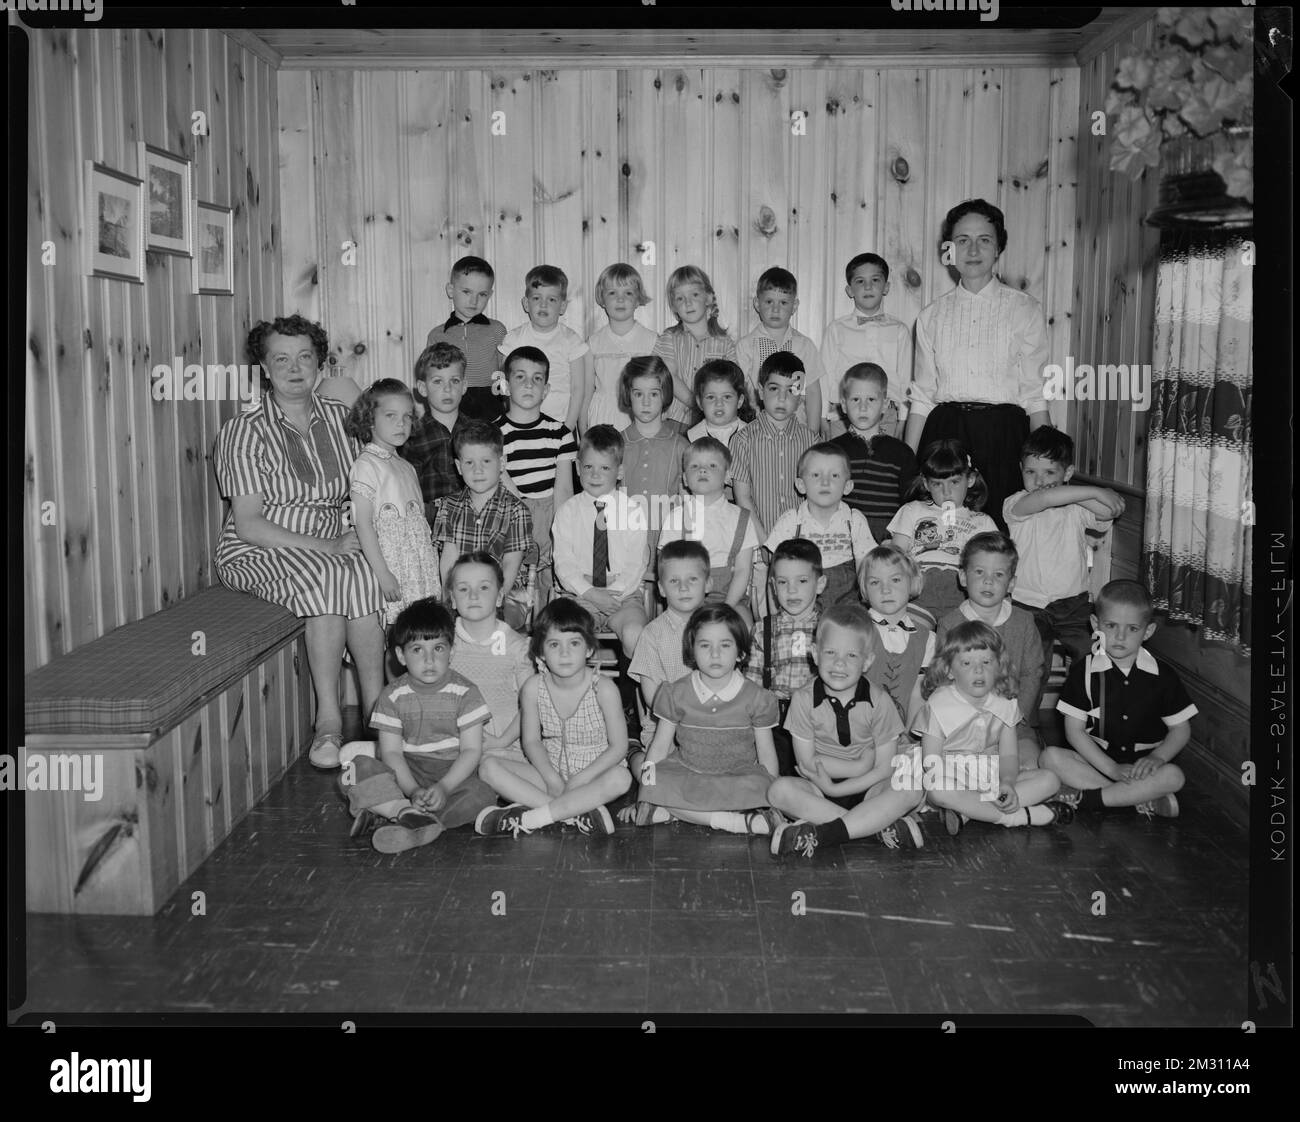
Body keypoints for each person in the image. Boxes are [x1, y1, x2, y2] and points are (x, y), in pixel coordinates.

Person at [213, 315, 385, 770]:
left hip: (334, 537)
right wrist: (327, 548)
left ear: (319, 363)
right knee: (330, 577)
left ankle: (378, 717)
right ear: (264, 368)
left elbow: (377, 475)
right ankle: (328, 722)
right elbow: (248, 524)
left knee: (369, 576)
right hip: (259, 546)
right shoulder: (242, 431)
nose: (294, 368)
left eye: (305, 357)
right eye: (281, 359)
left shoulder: (344, 421)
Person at [904, 199, 1051, 532]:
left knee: (998, 534)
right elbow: (923, 396)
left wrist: (1047, 460)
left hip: (1004, 436)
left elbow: (1034, 394)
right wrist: (907, 461)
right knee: (940, 533)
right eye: (962, 240)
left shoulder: (1024, 310)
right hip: (945, 434)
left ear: (998, 247)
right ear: (950, 249)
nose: (972, 249)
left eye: (984, 239)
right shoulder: (931, 316)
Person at [338, 600, 496, 854]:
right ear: (401, 655)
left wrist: (444, 787)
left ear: (452, 652)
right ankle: (403, 812)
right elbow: (390, 754)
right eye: (417, 650)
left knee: (484, 794)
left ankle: (404, 818)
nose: (429, 659)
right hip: (406, 771)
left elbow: (471, 751)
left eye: (438, 648)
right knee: (352, 770)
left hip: (452, 774)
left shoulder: (467, 693)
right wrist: (411, 789)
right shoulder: (391, 696)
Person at [768, 603, 925, 857]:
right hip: (817, 790)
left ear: (867, 661)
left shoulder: (880, 701)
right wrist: (857, 768)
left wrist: (839, 787)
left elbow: (885, 767)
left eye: (851, 655)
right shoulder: (802, 699)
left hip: (870, 790)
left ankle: (828, 833)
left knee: (911, 787)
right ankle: (875, 827)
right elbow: (808, 763)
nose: (839, 663)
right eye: (830, 652)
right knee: (778, 791)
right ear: (815, 654)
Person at [476, 599, 632, 837]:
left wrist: (581, 778)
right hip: (551, 773)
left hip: (594, 775)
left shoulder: (604, 688)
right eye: (554, 644)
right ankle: (574, 814)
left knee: (621, 779)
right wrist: (551, 777)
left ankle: (532, 817)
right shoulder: (533, 688)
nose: (565, 653)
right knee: (487, 767)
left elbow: (619, 747)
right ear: (540, 651)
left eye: (574, 643)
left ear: (589, 649)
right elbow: (531, 741)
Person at [1041, 580, 1194, 819]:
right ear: (1095, 625)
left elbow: (1181, 730)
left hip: (1144, 770)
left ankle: (1091, 800)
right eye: (1111, 625)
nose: (1120, 636)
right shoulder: (1084, 671)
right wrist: (1112, 769)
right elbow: (1074, 732)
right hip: (1097, 763)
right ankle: (1136, 798)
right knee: (1049, 757)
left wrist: (1157, 757)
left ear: (1148, 631)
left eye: (1132, 628)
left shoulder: (1163, 676)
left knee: (1175, 776)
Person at [630, 604, 784, 835]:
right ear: (692, 651)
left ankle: (676, 812)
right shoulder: (675, 693)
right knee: (652, 778)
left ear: (741, 652)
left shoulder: (757, 698)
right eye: (705, 645)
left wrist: (772, 789)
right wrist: (646, 789)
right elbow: (660, 745)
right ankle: (735, 822)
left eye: (725, 645)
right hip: (689, 771)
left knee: (763, 784)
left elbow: (766, 752)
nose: (715, 654)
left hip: (737, 775)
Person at [1004, 426, 1126, 710]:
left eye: (1050, 473)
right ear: (1020, 469)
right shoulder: (1016, 503)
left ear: (1067, 474)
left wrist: (1077, 493)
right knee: (1031, 670)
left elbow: (1109, 511)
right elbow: (1046, 498)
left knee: (1093, 661)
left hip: (1073, 604)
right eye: (1031, 472)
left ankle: (1087, 723)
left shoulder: (1076, 509)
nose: (1040, 481)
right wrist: (1095, 490)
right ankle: (1025, 729)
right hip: (1027, 605)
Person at [914, 620, 1071, 835]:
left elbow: (1008, 756)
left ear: (999, 665)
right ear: (950, 671)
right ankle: (1017, 817)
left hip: (989, 776)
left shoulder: (1005, 702)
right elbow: (931, 764)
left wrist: (1006, 782)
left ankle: (968, 812)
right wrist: (976, 786)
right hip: (950, 775)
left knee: (1050, 780)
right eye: (966, 663)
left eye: (986, 662)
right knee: (937, 788)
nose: (978, 670)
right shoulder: (938, 705)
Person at [937, 533, 1045, 769]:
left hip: (1013, 724)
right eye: (979, 572)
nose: (988, 582)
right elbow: (944, 679)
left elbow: (1031, 674)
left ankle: (1018, 799)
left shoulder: (1024, 622)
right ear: (963, 577)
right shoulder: (950, 624)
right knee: (955, 769)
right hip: (963, 725)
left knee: (1030, 765)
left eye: (998, 575)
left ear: (1012, 583)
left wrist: (1015, 717)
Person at [551, 425, 650, 660]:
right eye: (588, 467)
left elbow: (637, 562)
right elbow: (563, 564)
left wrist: (613, 594)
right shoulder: (567, 512)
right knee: (569, 636)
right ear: (577, 468)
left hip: (623, 597)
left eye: (605, 468)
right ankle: (581, 694)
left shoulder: (632, 511)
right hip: (579, 597)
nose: (595, 475)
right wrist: (591, 594)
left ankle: (628, 695)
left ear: (619, 472)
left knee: (635, 635)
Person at [345, 379, 440, 626]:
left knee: (420, 632)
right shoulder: (366, 465)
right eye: (390, 415)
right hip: (392, 567)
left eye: (407, 416)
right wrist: (384, 574)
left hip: (418, 568)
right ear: (369, 419)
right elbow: (363, 524)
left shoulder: (406, 466)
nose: (401, 423)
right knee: (396, 633)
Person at [430, 420, 533, 631]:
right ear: (459, 467)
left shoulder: (517, 510)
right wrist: (449, 598)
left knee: (492, 622)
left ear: (502, 463)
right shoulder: (448, 506)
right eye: (469, 463)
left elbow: (510, 566)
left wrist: (493, 598)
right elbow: (448, 559)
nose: (477, 470)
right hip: (462, 592)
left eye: (486, 461)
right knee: (438, 624)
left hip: (506, 595)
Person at [495, 345, 578, 609]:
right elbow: (501, 480)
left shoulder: (560, 433)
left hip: (552, 514)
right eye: (520, 377)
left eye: (537, 378)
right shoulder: (494, 433)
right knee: (515, 596)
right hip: (512, 516)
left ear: (546, 389)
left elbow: (564, 489)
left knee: (549, 592)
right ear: (506, 385)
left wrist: (561, 534)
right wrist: (522, 522)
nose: (529, 384)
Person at [887, 437, 997, 626]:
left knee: (962, 644)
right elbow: (895, 555)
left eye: (954, 482)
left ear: (970, 479)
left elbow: (995, 563)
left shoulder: (982, 522)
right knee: (912, 638)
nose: (947, 492)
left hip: (962, 594)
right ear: (926, 484)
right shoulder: (912, 510)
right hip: (919, 590)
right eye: (938, 484)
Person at [626, 540, 711, 780]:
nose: (684, 587)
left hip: (712, 723)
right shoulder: (652, 634)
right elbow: (652, 696)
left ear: (708, 583)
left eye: (692, 579)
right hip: (667, 727)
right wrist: (687, 717)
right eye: (674, 581)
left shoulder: (719, 628)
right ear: (661, 588)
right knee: (656, 777)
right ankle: (633, 755)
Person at [658, 437, 761, 628]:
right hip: (685, 597)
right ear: (685, 478)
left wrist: (727, 606)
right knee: (680, 628)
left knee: (743, 625)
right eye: (695, 466)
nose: (703, 470)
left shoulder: (741, 518)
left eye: (712, 465)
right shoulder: (676, 517)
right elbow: (667, 568)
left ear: (728, 475)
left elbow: (742, 570)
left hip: (730, 597)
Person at [745, 538, 825, 777]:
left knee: (817, 774)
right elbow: (751, 685)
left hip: (818, 722)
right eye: (782, 582)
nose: (791, 590)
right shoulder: (762, 630)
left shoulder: (829, 629)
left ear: (819, 584)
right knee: (769, 776)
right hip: (775, 722)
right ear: (772, 586)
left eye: (802, 581)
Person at [446, 552, 534, 761]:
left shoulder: (516, 647)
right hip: (454, 745)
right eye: (463, 588)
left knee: (489, 769)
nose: (473, 595)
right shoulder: (444, 645)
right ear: (452, 598)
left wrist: (501, 741)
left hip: (502, 747)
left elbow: (531, 705)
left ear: (500, 596)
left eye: (484, 587)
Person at [763, 443, 876, 607]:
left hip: (847, 607)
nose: (825, 482)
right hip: (801, 606)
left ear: (847, 486)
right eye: (816, 475)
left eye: (835, 475)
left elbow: (865, 572)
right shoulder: (791, 521)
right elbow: (774, 576)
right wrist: (773, 621)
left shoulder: (854, 520)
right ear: (801, 485)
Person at [820, 253, 913, 439]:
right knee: (843, 463)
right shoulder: (837, 329)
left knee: (883, 463)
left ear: (886, 287)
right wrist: (822, 416)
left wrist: (903, 419)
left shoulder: (899, 330)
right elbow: (825, 375)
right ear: (850, 290)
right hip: (842, 415)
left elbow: (905, 377)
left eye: (875, 280)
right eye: (860, 281)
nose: (868, 287)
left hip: (887, 414)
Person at [497, 264, 591, 434]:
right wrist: (510, 417)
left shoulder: (571, 341)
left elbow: (578, 389)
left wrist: (568, 428)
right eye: (536, 298)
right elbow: (504, 382)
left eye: (551, 299)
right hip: (520, 424)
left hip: (560, 423)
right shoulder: (514, 339)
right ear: (526, 303)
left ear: (562, 306)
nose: (543, 305)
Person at [830, 362, 918, 542]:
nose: (863, 407)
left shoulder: (902, 453)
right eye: (855, 399)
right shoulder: (833, 451)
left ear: (885, 405)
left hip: (887, 541)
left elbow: (911, 505)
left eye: (871, 399)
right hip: (844, 540)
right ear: (844, 405)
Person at [736, 266, 826, 435]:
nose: (775, 309)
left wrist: (813, 433)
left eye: (783, 302)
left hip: (797, 430)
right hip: (758, 430)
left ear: (794, 306)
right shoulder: (746, 346)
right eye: (769, 302)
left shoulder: (804, 345)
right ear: (757, 303)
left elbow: (813, 392)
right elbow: (741, 392)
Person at [618, 355, 691, 550]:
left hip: (667, 544)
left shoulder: (681, 446)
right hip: (624, 543)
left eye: (654, 394)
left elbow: (689, 507)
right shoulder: (615, 444)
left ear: (665, 395)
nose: (646, 402)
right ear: (628, 395)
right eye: (638, 394)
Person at [859, 543, 935, 730]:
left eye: (895, 580)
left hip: (904, 737)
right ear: (864, 589)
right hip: (859, 735)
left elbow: (919, 693)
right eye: (875, 582)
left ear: (912, 582)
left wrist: (908, 733)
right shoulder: (856, 630)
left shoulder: (928, 639)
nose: (885, 589)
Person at [652, 265, 738, 426]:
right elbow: (668, 376)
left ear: (709, 298)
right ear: (673, 307)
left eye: (695, 294)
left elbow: (731, 383)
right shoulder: (668, 338)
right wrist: (695, 403)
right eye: (680, 298)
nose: (688, 302)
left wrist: (707, 406)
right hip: (675, 422)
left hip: (715, 422)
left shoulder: (725, 344)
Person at [426, 255, 508, 422]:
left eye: (482, 294)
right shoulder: (437, 335)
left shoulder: (497, 330)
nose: (474, 300)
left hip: (490, 405)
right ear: (450, 290)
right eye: (466, 292)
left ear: (490, 295)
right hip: (451, 403)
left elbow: (505, 371)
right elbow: (432, 376)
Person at [400, 342, 471, 526]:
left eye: (454, 381)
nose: (447, 389)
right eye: (438, 381)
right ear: (422, 388)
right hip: (432, 522)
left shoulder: (475, 431)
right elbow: (407, 491)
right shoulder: (412, 437)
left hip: (474, 519)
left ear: (464, 386)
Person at [586, 262, 659, 431]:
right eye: (612, 293)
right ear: (602, 299)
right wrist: (583, 427)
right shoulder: (593, 343)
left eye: (628, 293)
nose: (620, 299)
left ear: (637, 299)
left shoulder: (652, 341)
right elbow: (587, 391)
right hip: (602, 416)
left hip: (640, 416)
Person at [684, 358, 754, 501]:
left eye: (727, 397)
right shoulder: (690, 439)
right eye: (710, 397)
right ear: (699, 402)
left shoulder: (752, 436)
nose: (719, 404)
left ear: (740, 401)